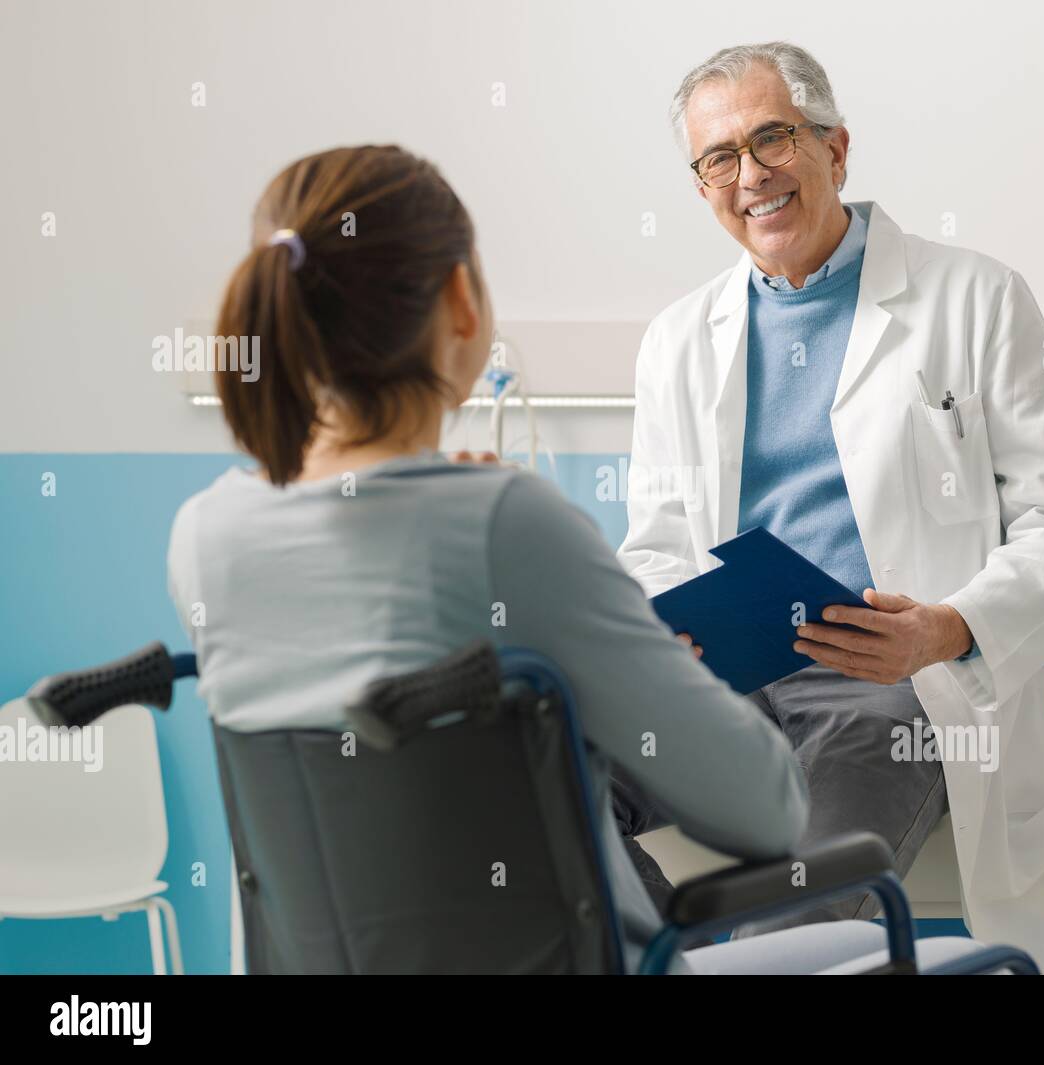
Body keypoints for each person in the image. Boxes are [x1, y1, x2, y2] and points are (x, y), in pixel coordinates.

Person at [166, 144, 894, 974]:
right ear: (460, 302)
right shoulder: (512, 525)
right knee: (874, 941)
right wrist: (641, 648)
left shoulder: (206, 537)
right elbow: (764, 810)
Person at [615, 42, 1044, 973]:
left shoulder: (978, 298)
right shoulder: (676, 341)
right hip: (727, 690)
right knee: (545, 788)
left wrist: (947, 629)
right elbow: (657, 548)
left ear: (835, 150)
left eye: (773, 139)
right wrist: (665, 639)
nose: (750, 174)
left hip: (890, 690)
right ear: (702, 185)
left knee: (795, 903)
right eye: (719, 157)